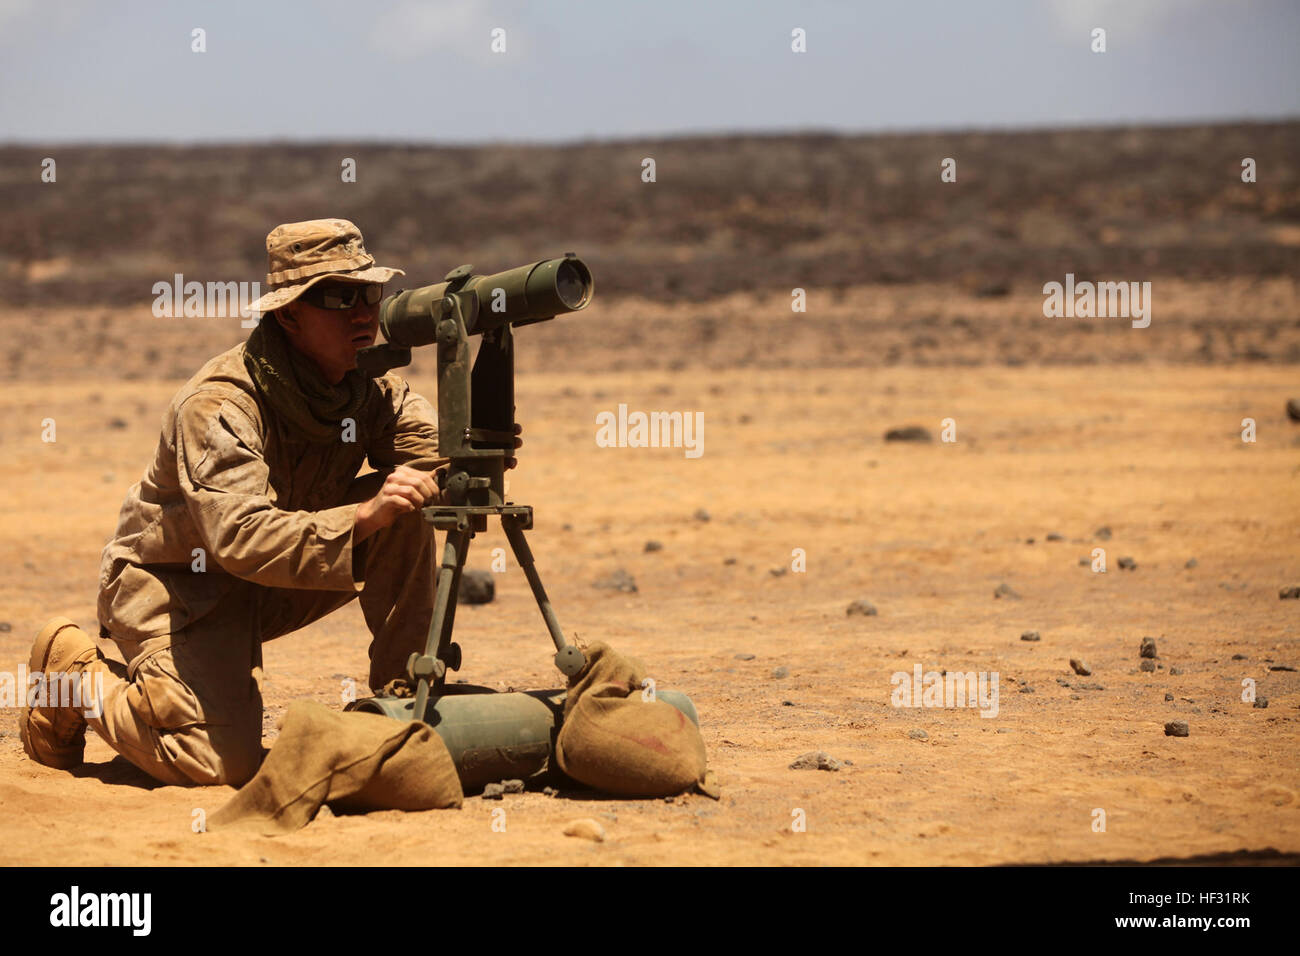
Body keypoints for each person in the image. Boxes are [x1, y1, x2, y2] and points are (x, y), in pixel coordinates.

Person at [19, 218, 518, 787]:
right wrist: (362, 515)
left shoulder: (367, 386)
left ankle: (403, 695)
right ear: (288, 313)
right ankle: (73, 673)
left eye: (369, 294)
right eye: (339, 297)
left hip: (268, 582)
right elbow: (238, 538)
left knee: (403, 501)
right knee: (215, 763)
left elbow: (436, 459)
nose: (362, 313)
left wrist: (477, 441)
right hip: (178, 590)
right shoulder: (221, 404)